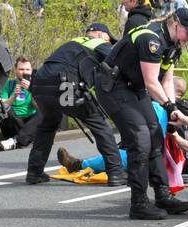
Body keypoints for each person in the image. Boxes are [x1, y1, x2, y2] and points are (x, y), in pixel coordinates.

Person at [97, 2, 188, 220]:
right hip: (113, 86)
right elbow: (152, 82)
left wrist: (172, 108)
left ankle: (163, 195)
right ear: (176, 24)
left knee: (155, 134)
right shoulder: (150, 39)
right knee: (140, 140)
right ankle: (139, 203)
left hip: (135, 87)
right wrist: (168, 105)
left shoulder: (173, 44)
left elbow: (166, 80)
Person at [25, 22, 124, 186]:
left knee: (48, 124)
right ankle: (115, 173)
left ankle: (34, 172)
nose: (110, 43)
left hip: (40, 85)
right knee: (99, 124)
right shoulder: (99, 43)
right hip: (64, 86)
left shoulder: (72, 43)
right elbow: (119, 63)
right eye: (109, 39)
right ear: (100, 34)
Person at [0, 58, 39, 151]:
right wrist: (14, 96)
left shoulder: (36, 85)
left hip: (29, 121)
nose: (24, 72)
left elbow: (38, 107)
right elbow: (3, 106)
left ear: (31, 71)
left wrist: (31, 91)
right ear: (15, 70)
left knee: (44, 112)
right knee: (7, 109)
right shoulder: (8, 84)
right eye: (21, 69)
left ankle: (18, 140)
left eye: (27, 69)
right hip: (11, 124)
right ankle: (29, 137)